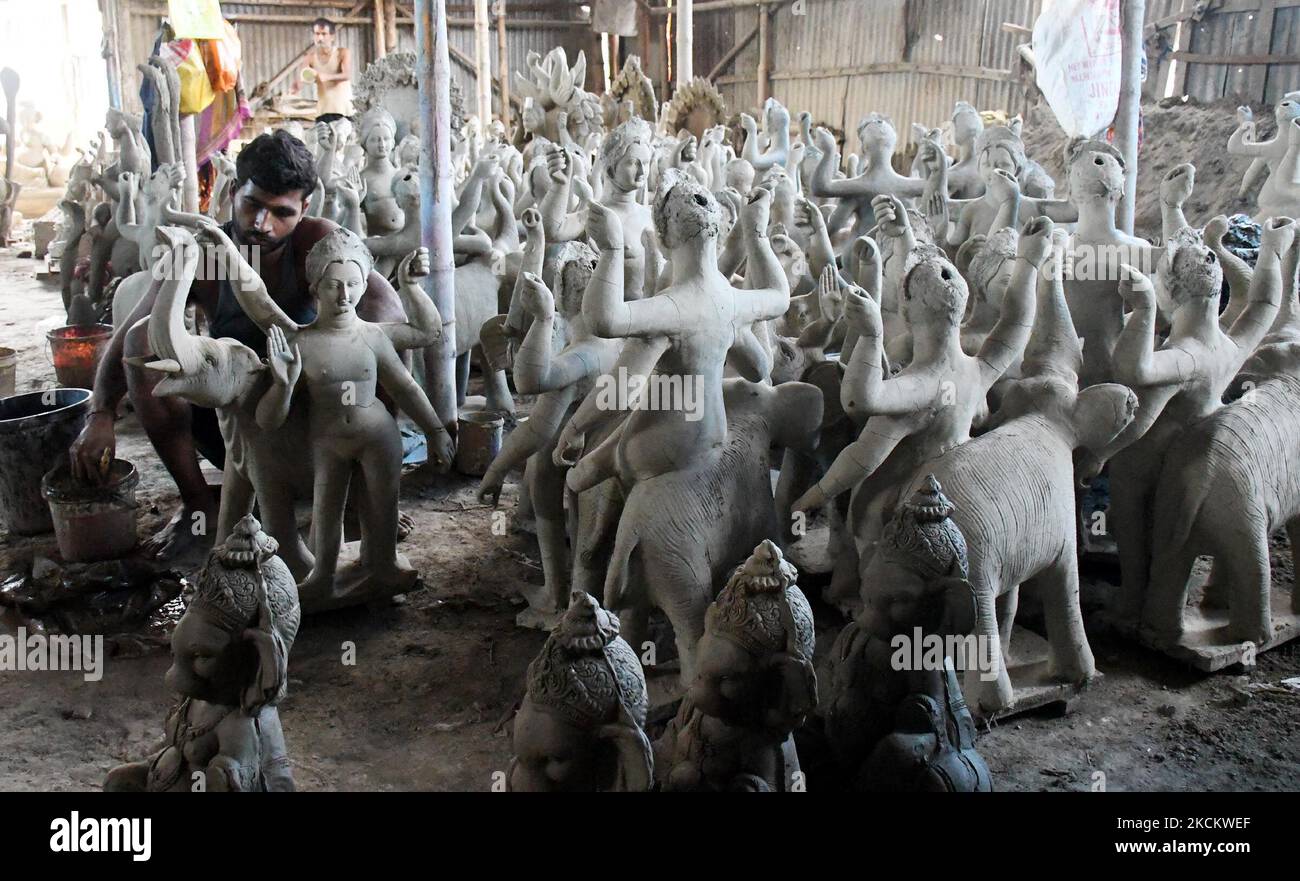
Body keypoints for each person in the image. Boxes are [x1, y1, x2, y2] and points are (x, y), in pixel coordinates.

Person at [70, 130, 407, 559]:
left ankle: (364, 495)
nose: (262, 224)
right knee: (144, 343)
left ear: (305, 207)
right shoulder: (203, 251)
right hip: (235, 424)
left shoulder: (319, 241)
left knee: (382, 345)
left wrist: (326, 356)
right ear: (233, 192)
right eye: (252, 205)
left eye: (281, 212)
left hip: (318, 418)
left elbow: (389, 314)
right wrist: (100, 414)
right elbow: (131, 333)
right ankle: (200, 506)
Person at [299, 18, 353, 123]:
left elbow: (347, 75)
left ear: (332, 36)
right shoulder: (309, 58)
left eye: (324, 34)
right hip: (323, 111)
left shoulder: (343, 52)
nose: (320, 38)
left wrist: (327, 77)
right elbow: (303, 77)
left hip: (343, 109)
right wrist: (295, 87)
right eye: (317, 34)